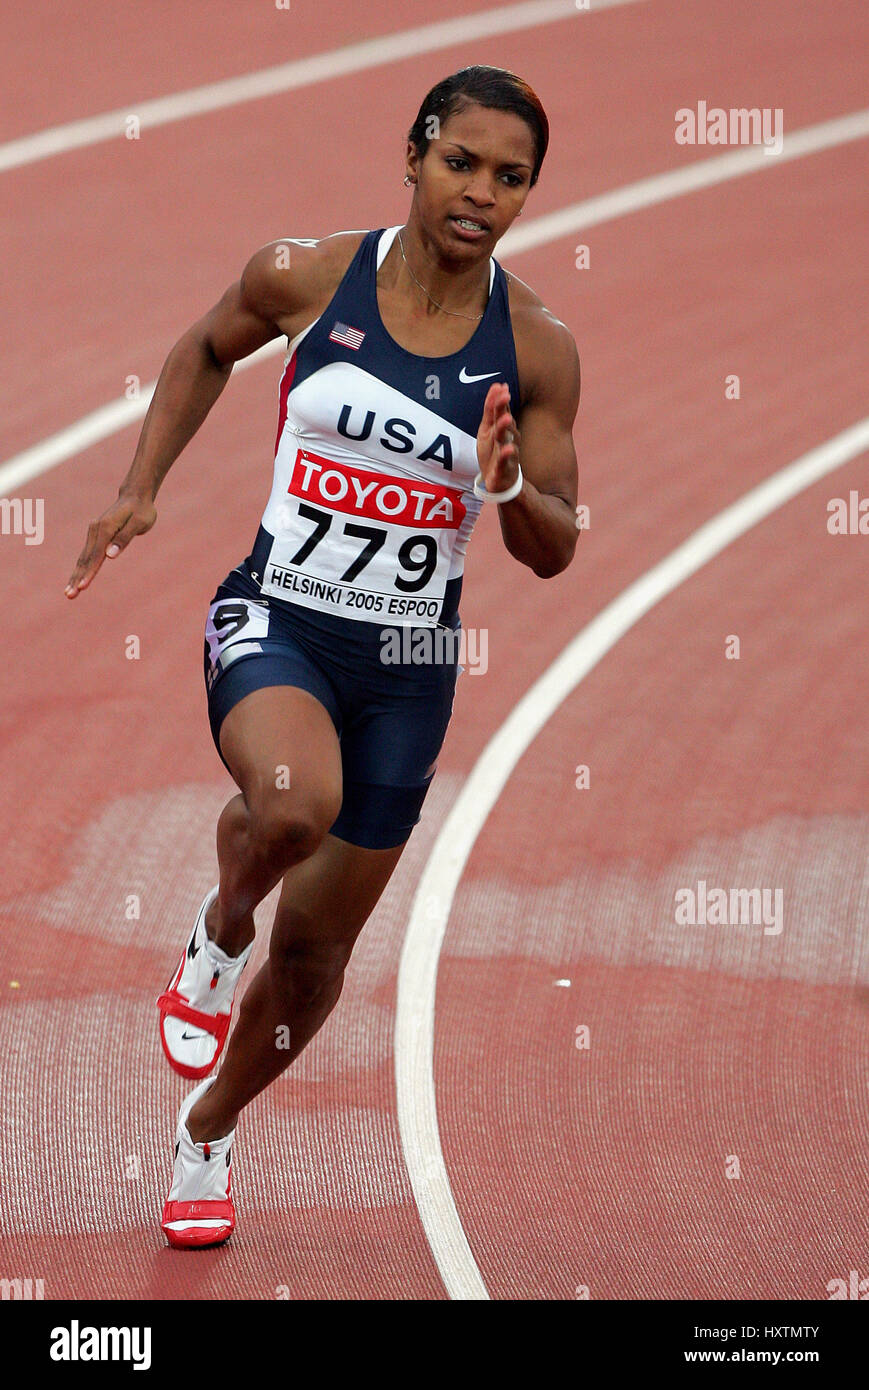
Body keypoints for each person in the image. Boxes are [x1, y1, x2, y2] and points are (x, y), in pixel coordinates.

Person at [65, 64, 580, 1249]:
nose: (481, 194)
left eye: (512, 180)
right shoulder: (305, 276)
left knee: (315, 959)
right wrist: (139, 491)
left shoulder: (536, 348)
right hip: (278, 616)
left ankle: (206, 1125)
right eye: (462, 162)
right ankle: (218, 921)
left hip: (407, 667)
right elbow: (205, 346)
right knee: (293, 808)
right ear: (414, 153)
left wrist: (503, 487)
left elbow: (556, 542)